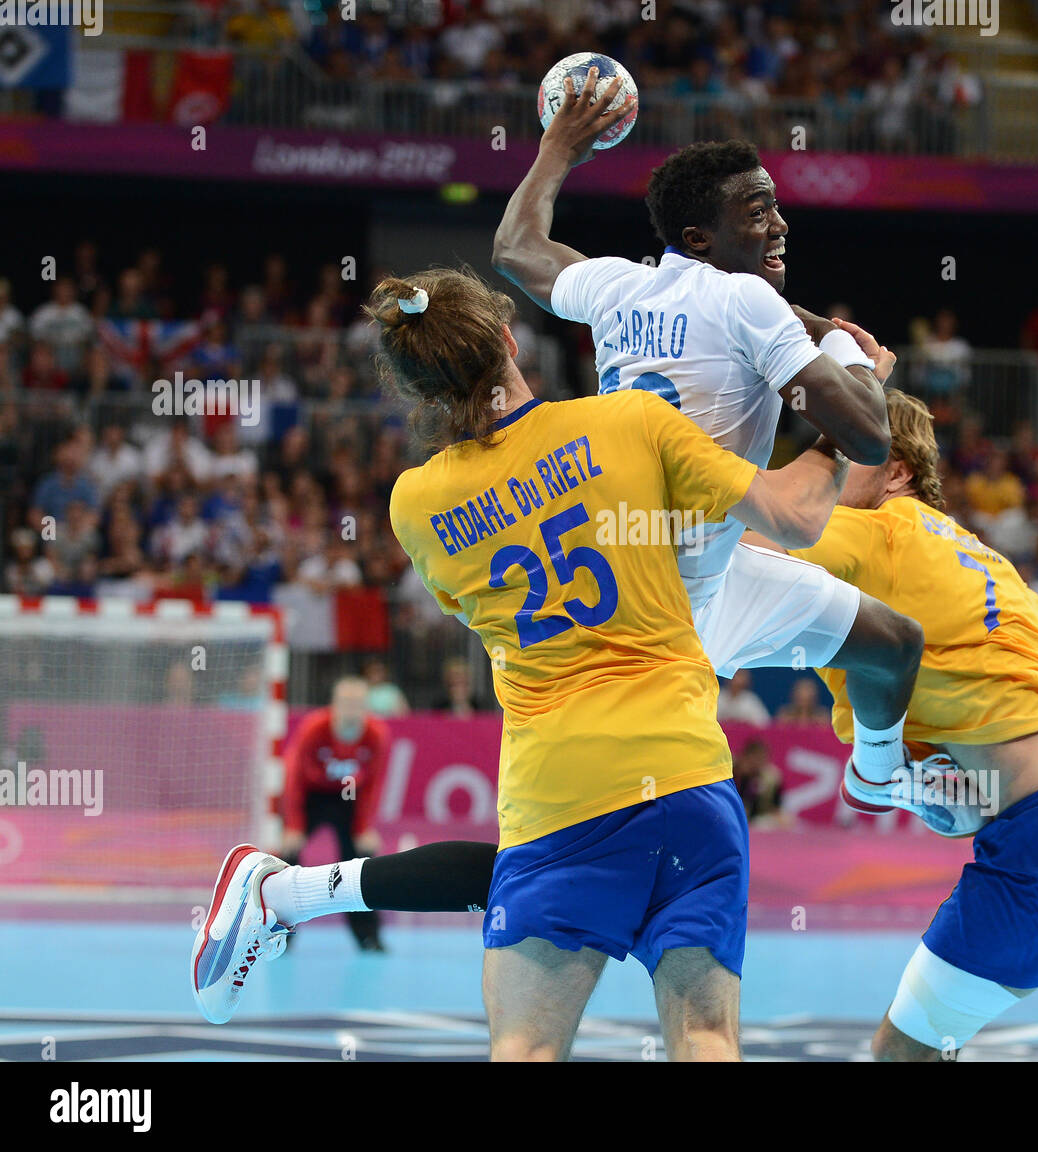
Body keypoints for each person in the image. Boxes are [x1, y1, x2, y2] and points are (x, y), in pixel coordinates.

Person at [192, 265, 849, 1061]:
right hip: (693, 781)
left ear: (420, 392)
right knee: (707, 1038)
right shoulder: (631, 422)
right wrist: (847, 402)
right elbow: (798, 512)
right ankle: (284, 894)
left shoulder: (416, 507)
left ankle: (284, 894)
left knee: (529, 1049)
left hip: (561, 796)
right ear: (510, 338)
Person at [492, 66, 940, 831]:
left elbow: (516, 247)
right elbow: (867, 431)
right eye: (758, 212)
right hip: (680, 605)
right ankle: (877, 767)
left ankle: (875, 777)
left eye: (776, 208)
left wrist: (559, 147)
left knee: (891, 640)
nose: (780, 224)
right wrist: (857, 355)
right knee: (627, 836)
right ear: (700, 237)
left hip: (642, 569)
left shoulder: (619, 287)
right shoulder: (743, 299)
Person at [762, 385, 1038, 1061]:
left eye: (843, 453)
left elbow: (749, 535)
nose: (824, 473)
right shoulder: (984, 558)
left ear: (896, 470)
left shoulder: (877, 530)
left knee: (903, 1053)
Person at [277, 677, 391, 951]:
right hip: (310, 797)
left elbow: (373, 786)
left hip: (349, 799)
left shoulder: (376, 735)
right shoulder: (314, 729)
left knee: (361, 864)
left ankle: (368, 936)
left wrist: (363, 827)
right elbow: (294, 780)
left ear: (366, 707)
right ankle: (281, 935)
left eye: (357, 704)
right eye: (346, 703)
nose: (351, 709)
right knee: (286, 857)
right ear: (334, 705)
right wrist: (293, 826)